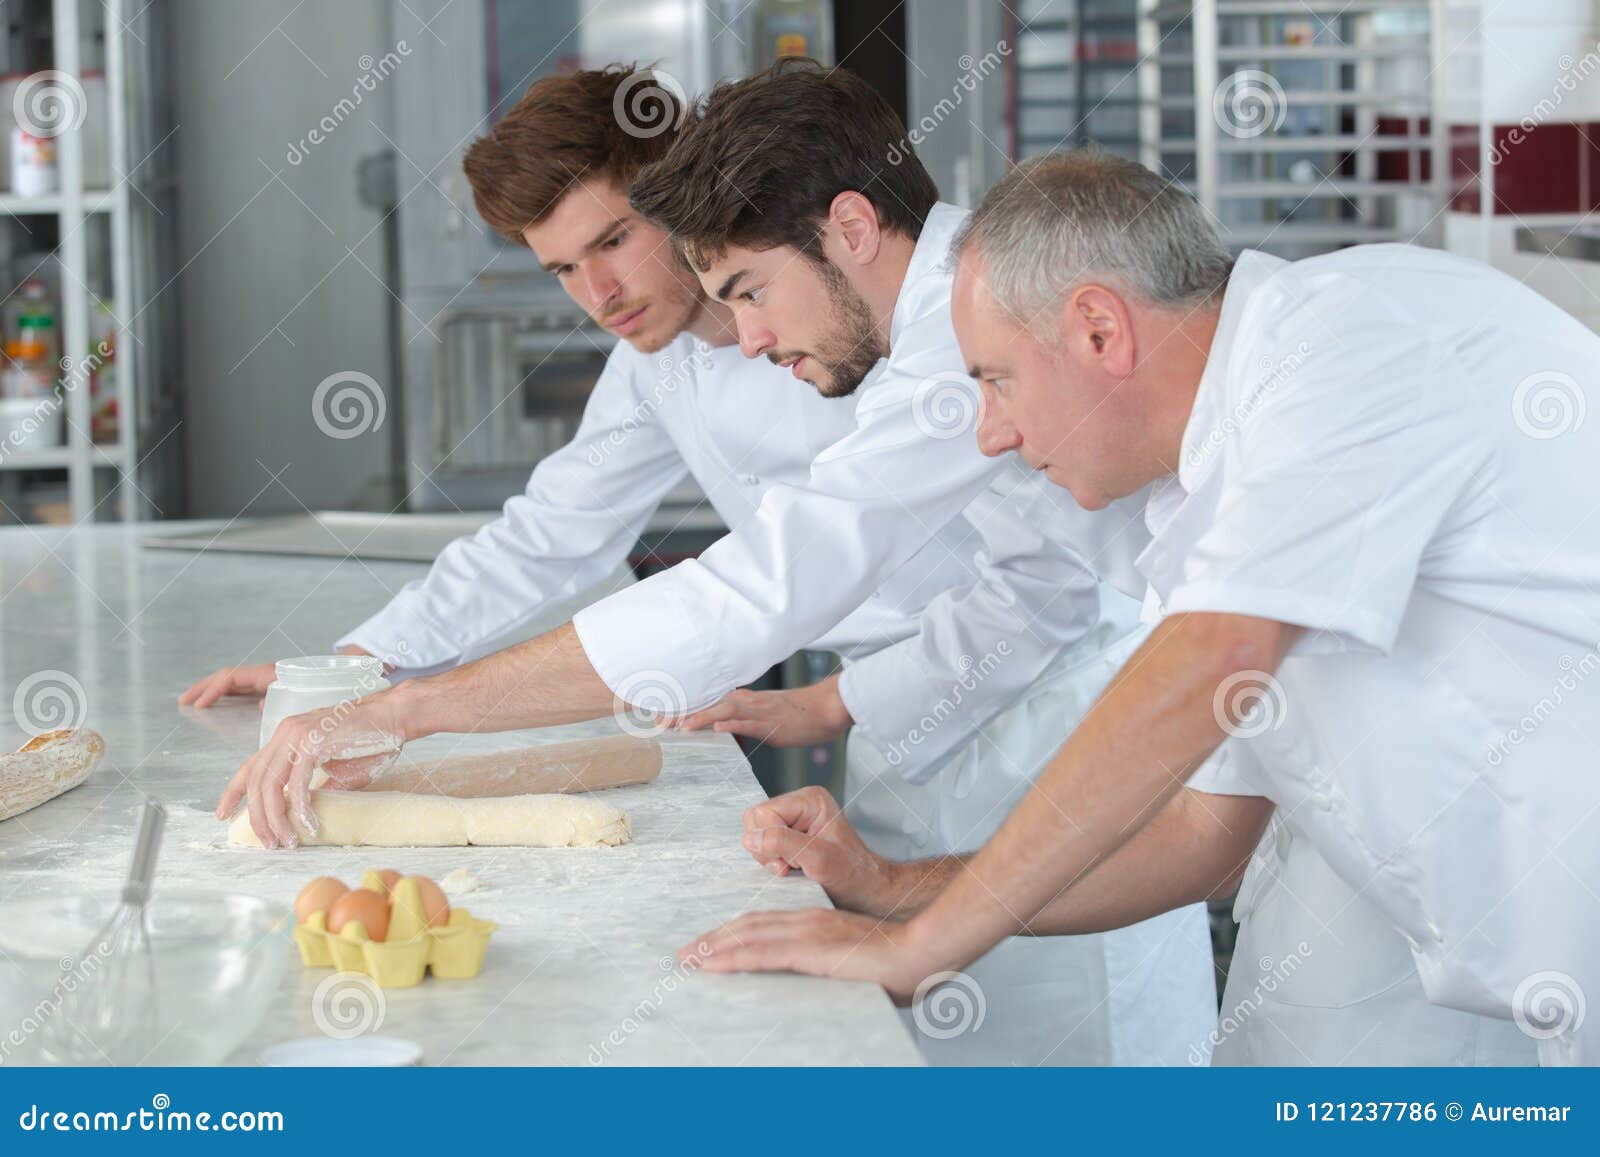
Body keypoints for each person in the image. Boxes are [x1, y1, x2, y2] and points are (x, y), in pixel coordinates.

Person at [213, 65, 1217, 1067]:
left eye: (612, 242)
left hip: (1057, 721)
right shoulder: (680, 354)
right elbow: (551, 530)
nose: (598, 293)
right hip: (911, 730)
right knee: (930, 1054)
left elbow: (785, 580)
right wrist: (359, 664)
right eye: (560, 268)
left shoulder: (951, 324)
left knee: (1082, 1060)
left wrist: (410, 708)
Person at [683, 150, 1600, 1067]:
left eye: (996, 379)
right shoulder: (1202, 492)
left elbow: (1209, 658)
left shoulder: (1349, 337)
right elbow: (1197, 835)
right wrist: (891, 888)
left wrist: (921, 948)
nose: (991, 432)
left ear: (1097, 330)